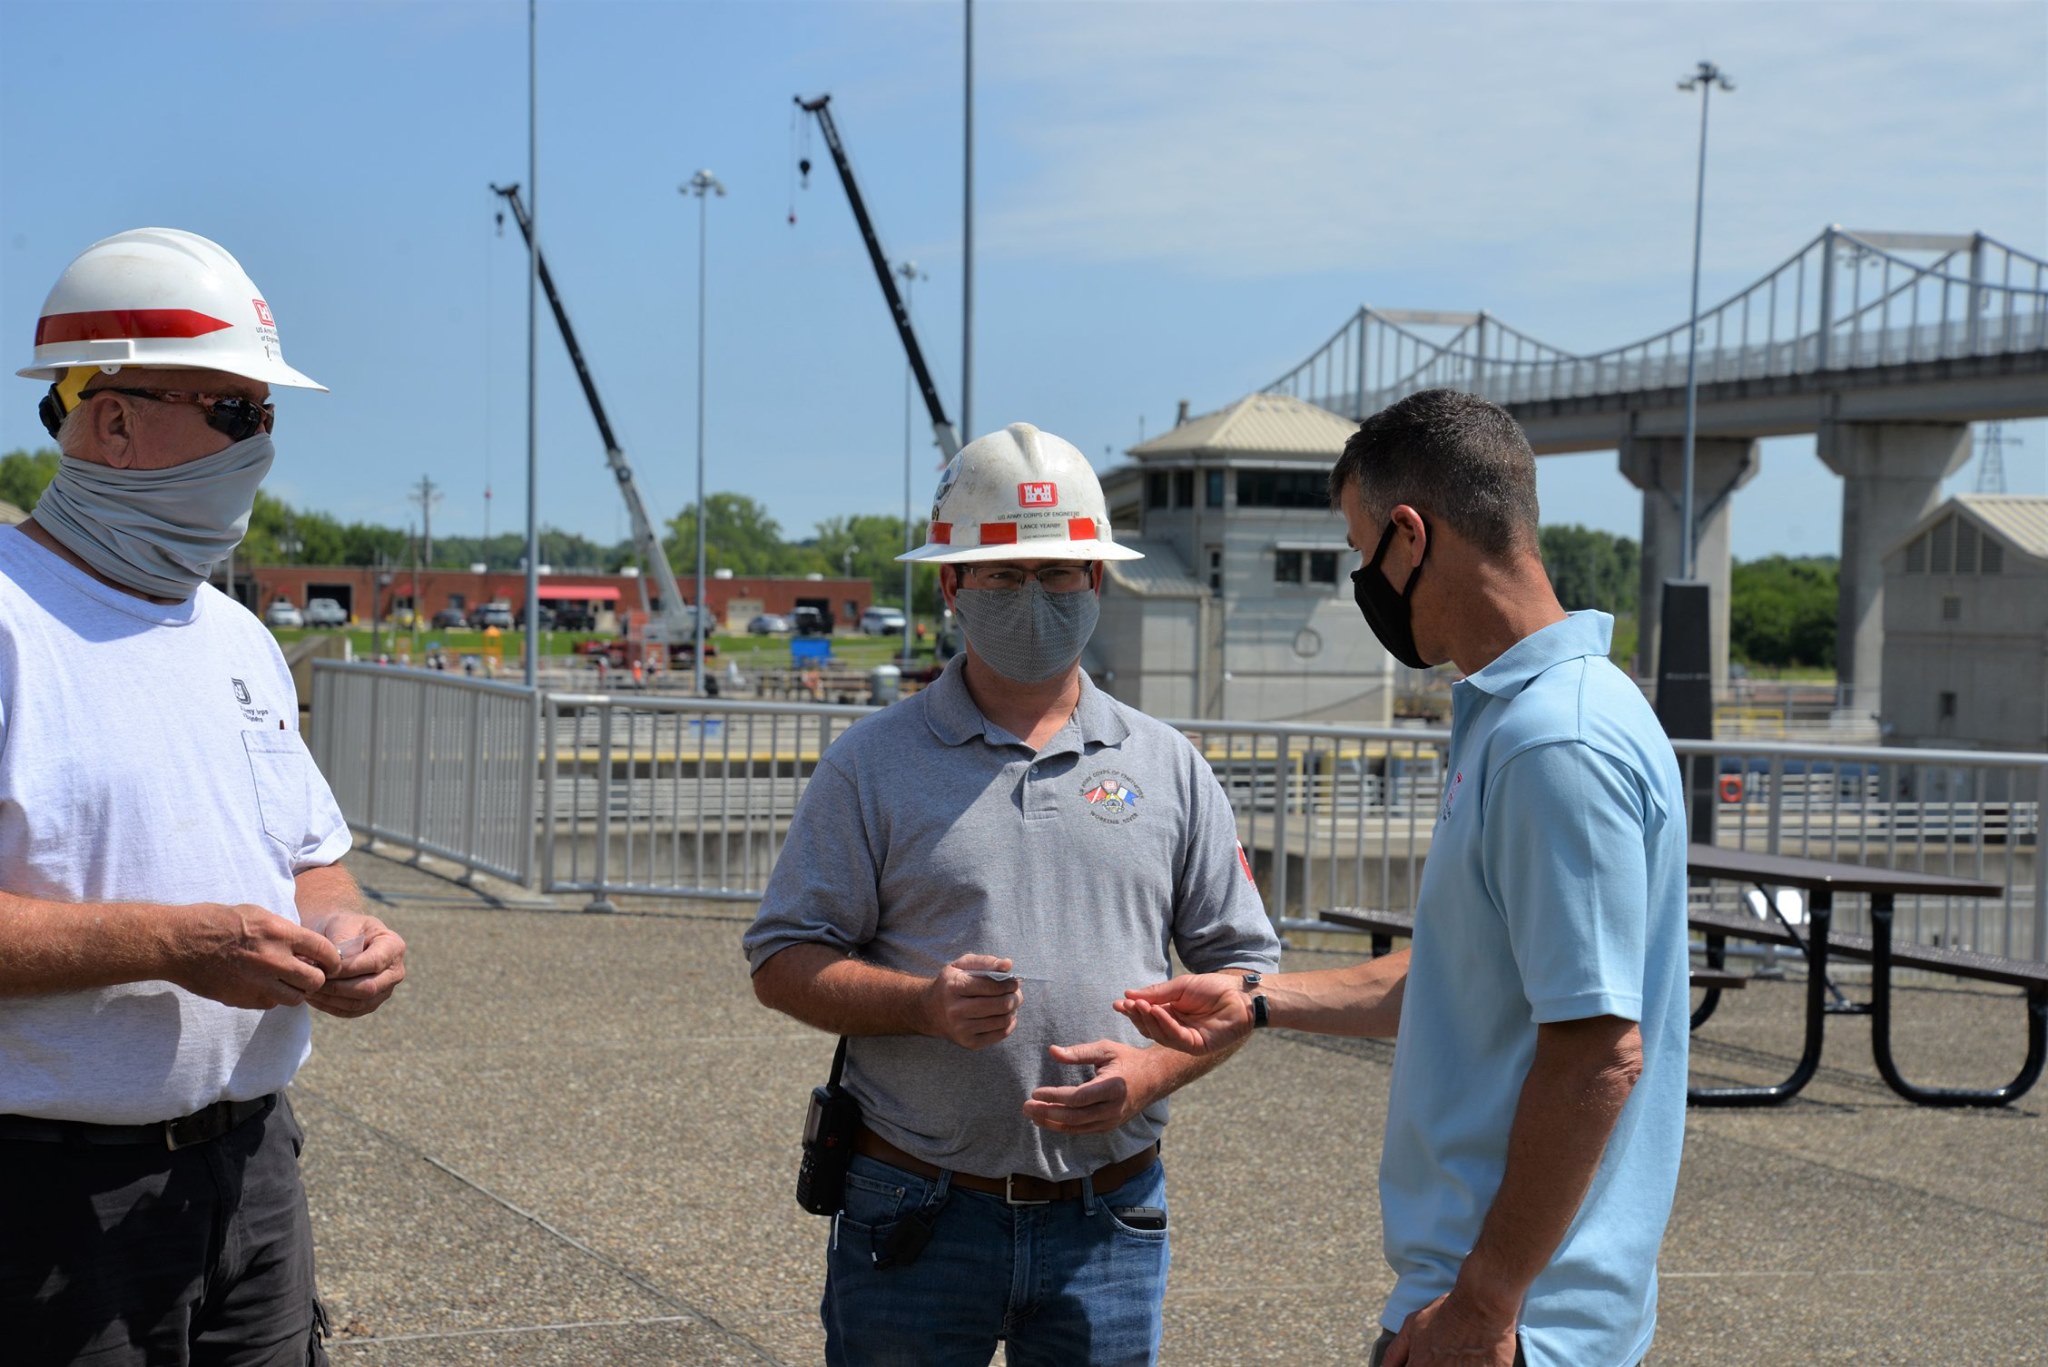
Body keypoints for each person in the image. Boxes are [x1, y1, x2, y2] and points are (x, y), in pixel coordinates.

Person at [1119, 389, 1688, 1367]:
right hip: (1502, 1309)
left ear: (1409, 534)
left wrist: (1481, 1302)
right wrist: (1255, 999)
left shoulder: (1555, 741)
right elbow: (1472, 980)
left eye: (1359, 547)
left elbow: (1596, 1049)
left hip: (1507, 1325)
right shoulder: (1544, 714)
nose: (1360, 579)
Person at [744, 423, 1281, 1366]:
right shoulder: (872, 765)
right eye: (1003, 575)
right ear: (951, 585)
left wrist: (1155, 1073)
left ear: (1097, 583)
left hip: (1109, 1215)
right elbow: (784, 959)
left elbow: (1245, 969)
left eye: (1061, 573)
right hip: (913, 1204)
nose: (1035, 596)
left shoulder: (1168, 766)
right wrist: (921, 1003)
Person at [0, 228, 407, 1365]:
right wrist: (171, 943)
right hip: (44, 1198)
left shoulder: (233, 635)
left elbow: (309, 855)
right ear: (112, 417)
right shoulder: (9, 621)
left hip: (250, 1171)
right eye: (234, 411)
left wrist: (344, 927)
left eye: (268, 416)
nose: (261, 446)